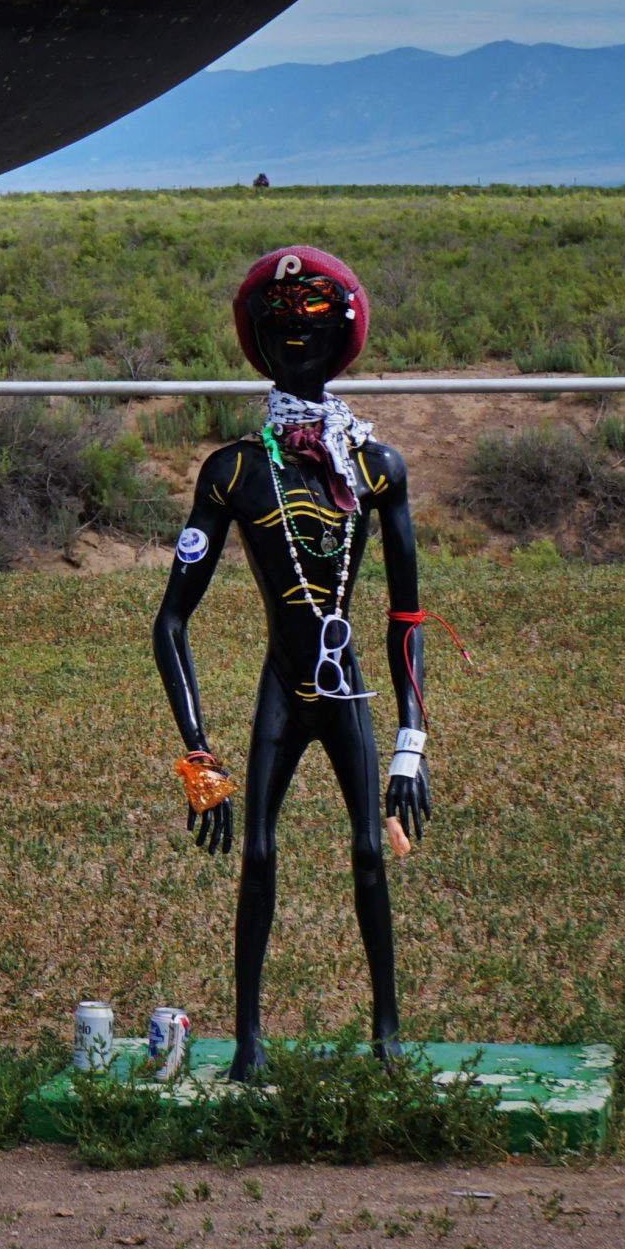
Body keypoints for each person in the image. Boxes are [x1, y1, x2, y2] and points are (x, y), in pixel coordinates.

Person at [150, 246, 434, 1076]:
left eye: (314, 319)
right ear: (258, 341)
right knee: (259, 854)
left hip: (343, 689)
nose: (296, 337)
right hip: (284, 683)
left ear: (343, 337)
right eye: (277, 323)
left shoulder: (375, 468)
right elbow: (171, 620)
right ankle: (248, 1042)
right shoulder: (234, 471)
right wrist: (198, 755)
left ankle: (386, 1035)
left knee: (370, 852)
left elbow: (407, 615)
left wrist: (411, 741)